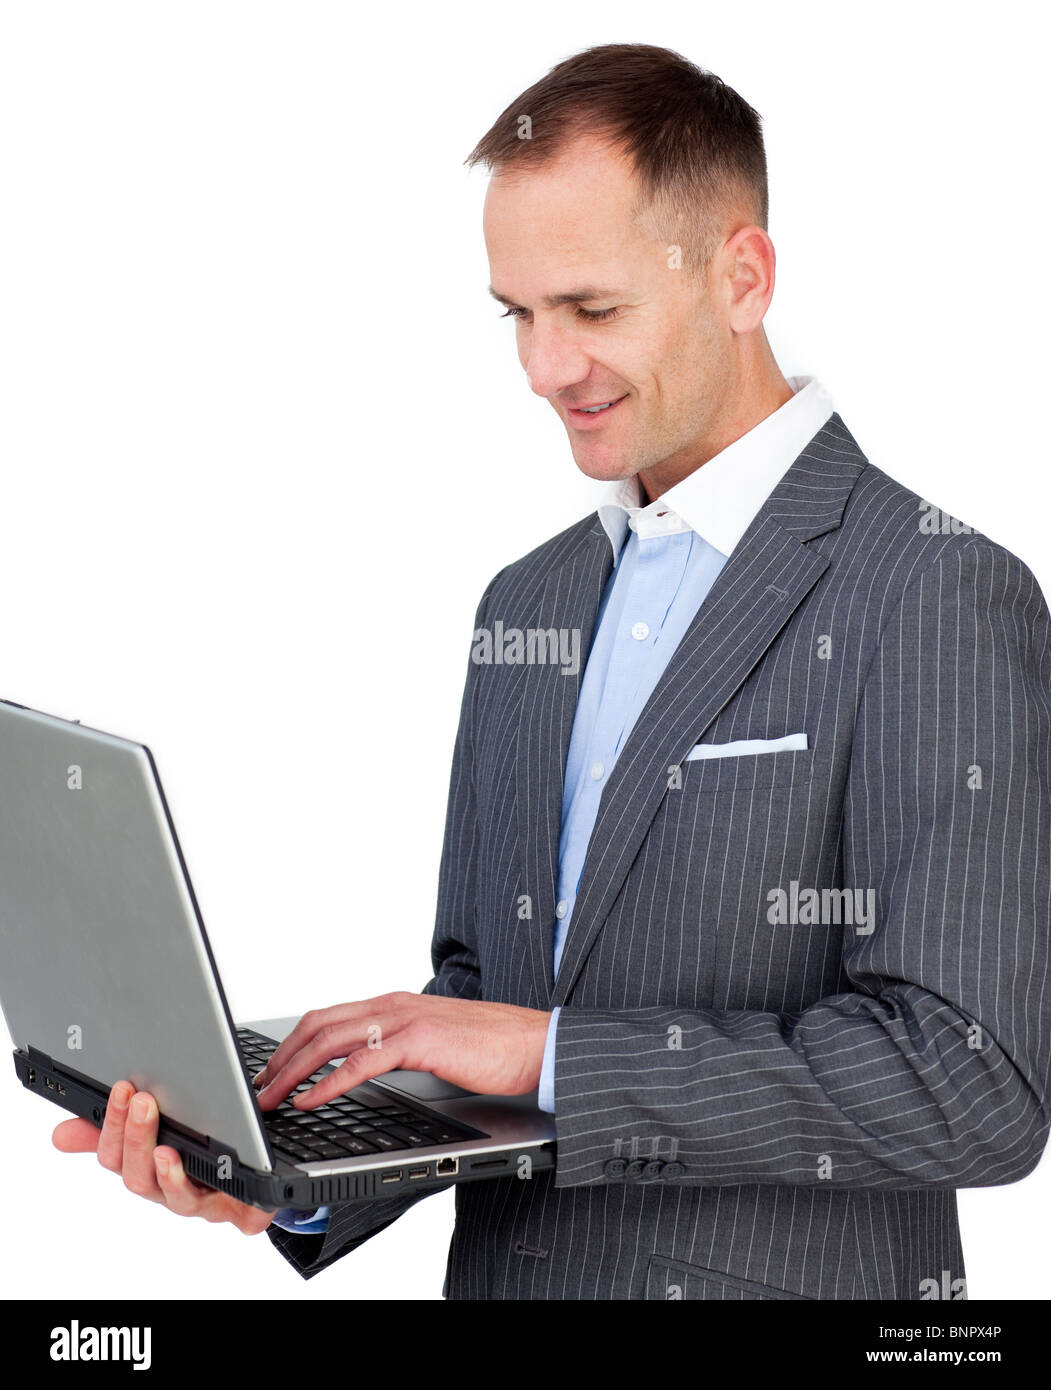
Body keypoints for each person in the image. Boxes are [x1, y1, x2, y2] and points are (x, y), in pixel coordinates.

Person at [53, 42, 1051, 1301]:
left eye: (592, 309)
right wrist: (283, 1172)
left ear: (741, 276)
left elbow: (969, 1085)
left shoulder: (934, 588)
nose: (542, 368)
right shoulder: (525, 604)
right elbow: (483, 1011)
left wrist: (553, 1054)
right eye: (516, 313)